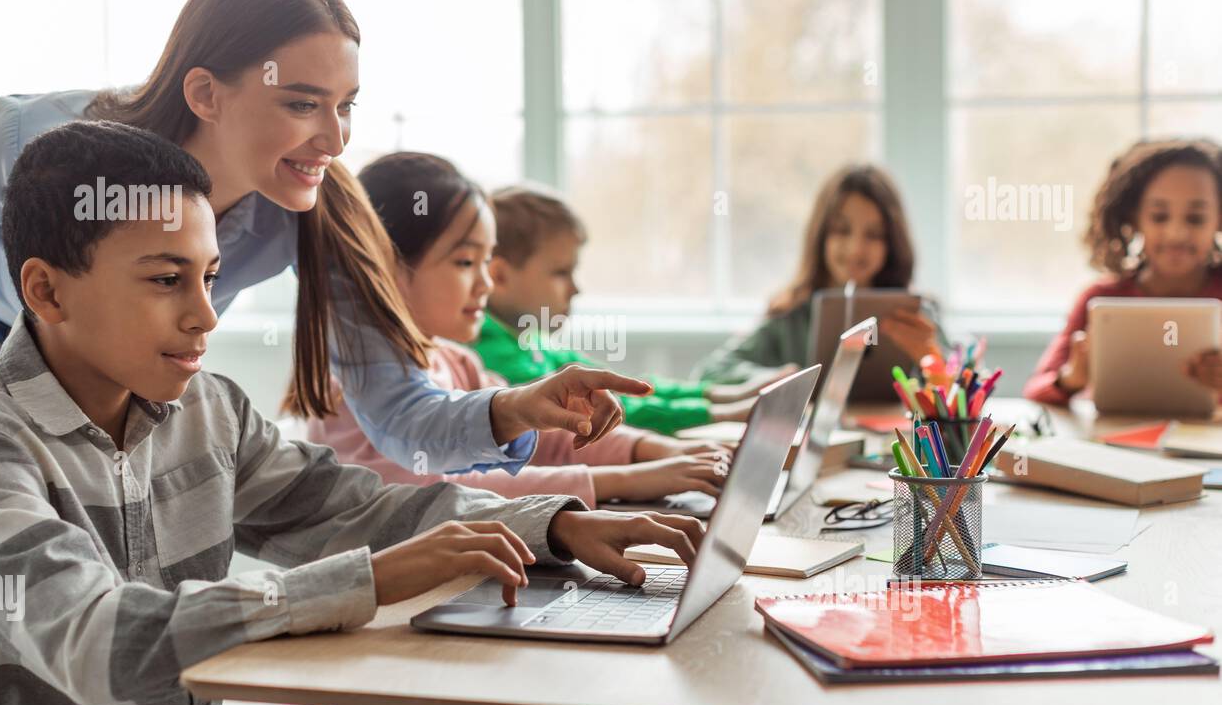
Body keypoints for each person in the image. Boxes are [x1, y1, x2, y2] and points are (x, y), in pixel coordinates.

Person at [0, 121, 704, 705]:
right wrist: (367, 579)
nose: (206, 315)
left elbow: (352, 506)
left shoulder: (208, 409)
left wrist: (550, 524)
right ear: (46, 290)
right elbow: (95, 641)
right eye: (167, 280)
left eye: (210, 276)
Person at [0, 0, 647, 473]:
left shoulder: (311, 209)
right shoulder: (23, 141)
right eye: (302, 104)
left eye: (345, 105)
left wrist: (518, 407)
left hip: (131, 378)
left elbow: (398, 412)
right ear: (205, 93)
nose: (335, 141)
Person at [297, 152, 730, 507]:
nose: (486, 283)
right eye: (466, 262)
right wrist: (630, 480)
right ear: (387, 264)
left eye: (487, 262)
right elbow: (445, 494)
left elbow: (545, 438)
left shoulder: (459, 363)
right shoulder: (355, 389)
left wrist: (660, 452)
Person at [473, 183, 778, 436]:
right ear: (500, 276)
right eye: (561, 273)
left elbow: (621, 387)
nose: (575, 289)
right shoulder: (486, 351)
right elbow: (612, 412)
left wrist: (724, 395)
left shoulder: (530, 339)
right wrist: (725, 412)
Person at [695, 163, 944, 384]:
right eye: (841, 230)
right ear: (821, 235)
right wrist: (778, 380)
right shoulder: (791, 314)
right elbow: (710, 372)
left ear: (892, 243)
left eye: (874, 235)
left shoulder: (916, 315)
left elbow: (972, 383)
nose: (856, 249)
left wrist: (933, 360)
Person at [1023, 138, 1222, 404]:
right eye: (1159, 216)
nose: (1176, 233)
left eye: (1195, 218)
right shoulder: (1100, 299)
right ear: (1134, 217)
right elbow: (1036, 390)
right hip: (1111, 442)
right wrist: (1073, 377)